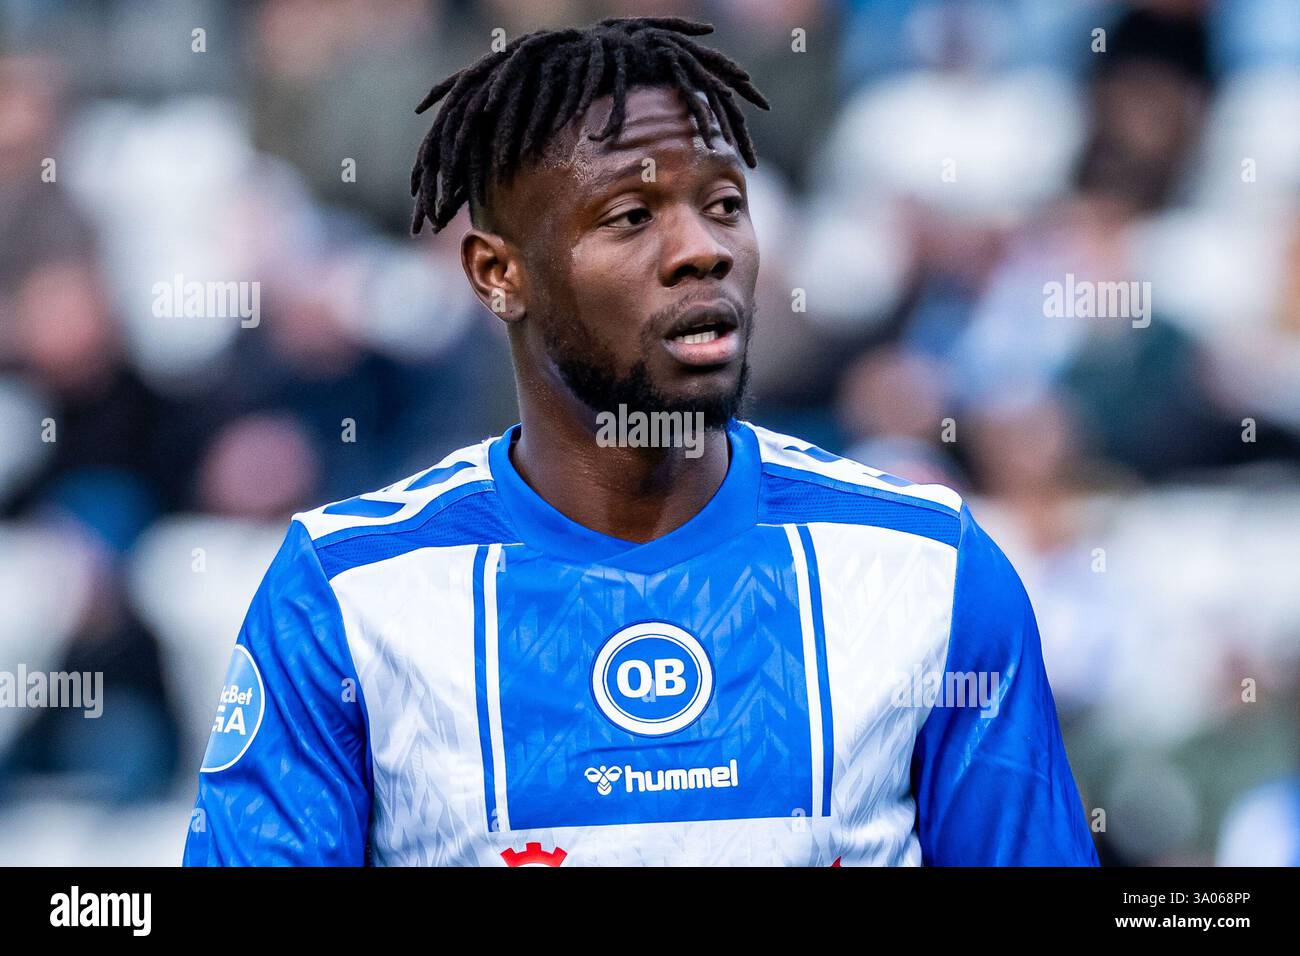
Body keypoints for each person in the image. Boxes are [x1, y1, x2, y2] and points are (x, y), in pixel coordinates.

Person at [183, 16, 1096, 866]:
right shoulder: (348, 595)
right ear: (499, 274)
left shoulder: (925, 569)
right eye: (630, 216)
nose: (703, 250)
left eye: (726, 204)